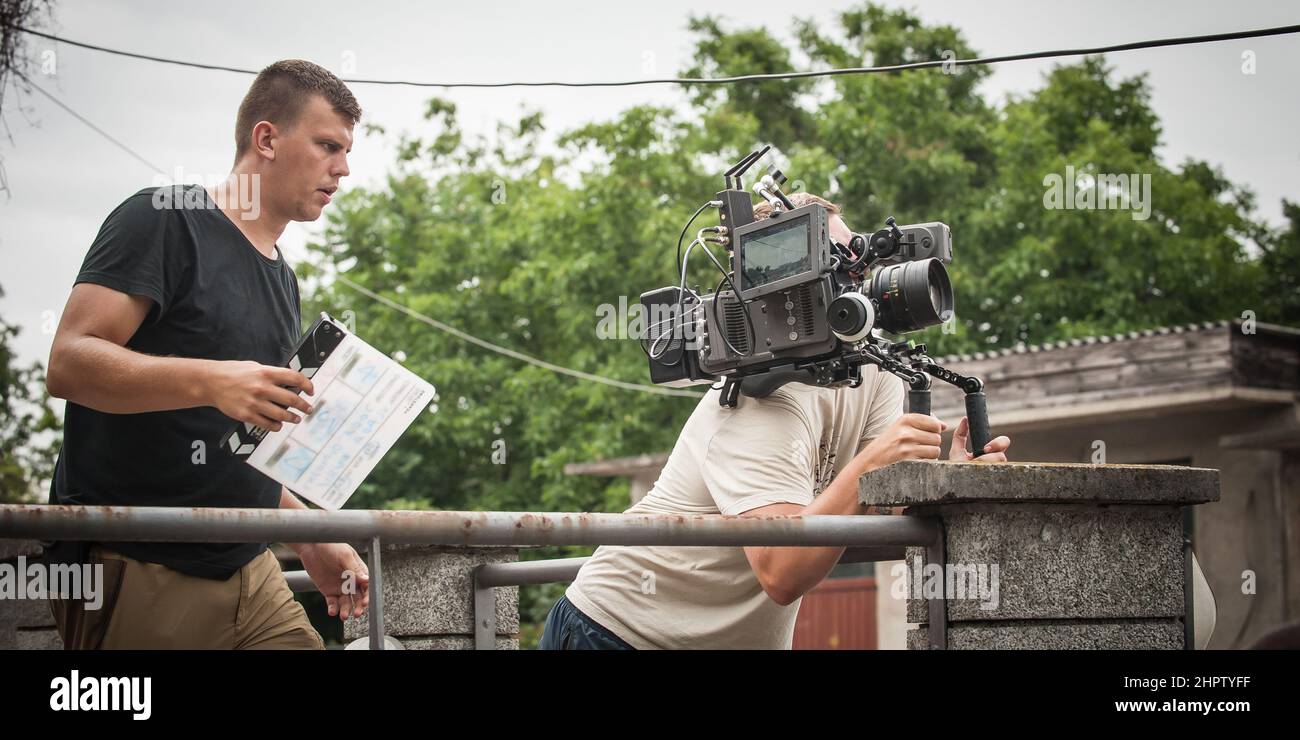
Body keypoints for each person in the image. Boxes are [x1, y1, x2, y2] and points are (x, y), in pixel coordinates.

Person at [541, 193, 1012, 649]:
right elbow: (782, 570)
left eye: (858, 256)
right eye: (837, 261)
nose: (857, 272)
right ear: (780, 281)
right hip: (619, 632)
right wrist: (872, 463)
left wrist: (953, 482)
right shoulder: (754, 397)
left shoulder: (872, 373)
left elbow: (881, 509)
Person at [44, 59, 369, 649]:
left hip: (251, 567)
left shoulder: (282, 279)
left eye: (346, 152)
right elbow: (69, 363)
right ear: (266, 138)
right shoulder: (162, 218)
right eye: (328, 145)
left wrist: (309, 537)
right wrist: (210, 380)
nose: (343, 169)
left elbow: (236, 440)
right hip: (140, 560)